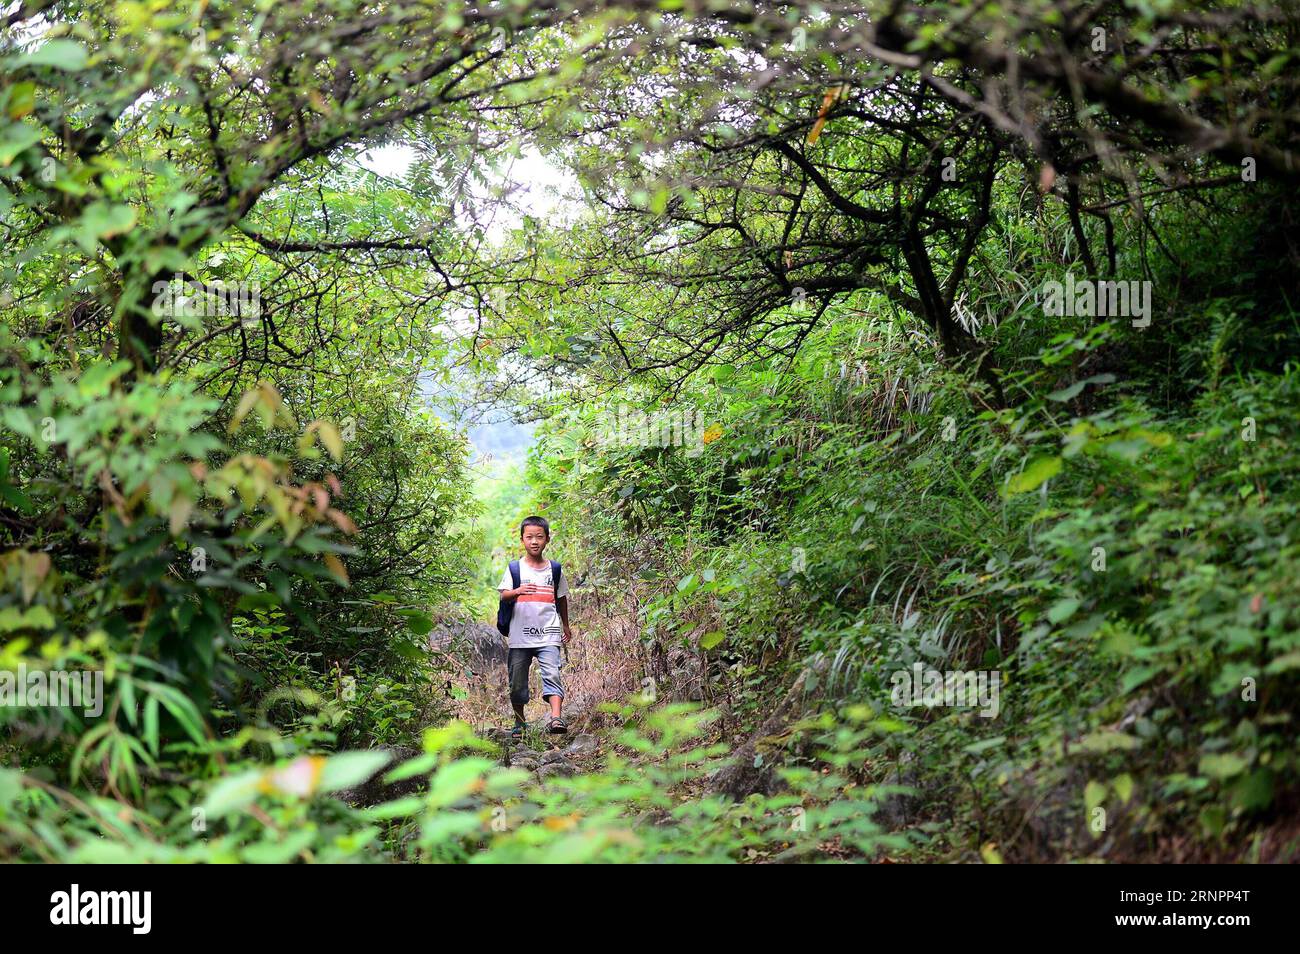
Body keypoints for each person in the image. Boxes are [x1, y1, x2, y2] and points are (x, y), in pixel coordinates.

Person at [498, 515, 572, 737]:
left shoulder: (555, 570)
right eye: (529, 537)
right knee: (517, 681)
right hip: (520, 636)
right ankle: (520, 723)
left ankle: (556, 718)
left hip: (549, 633)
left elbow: (561, 599)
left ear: (547, 539)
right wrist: (518, 591)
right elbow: (504, 595)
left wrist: (566, 626)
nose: (534, 541)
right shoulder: (514, 569)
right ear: (522, 540)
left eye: (539, 537)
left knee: (553, 674)